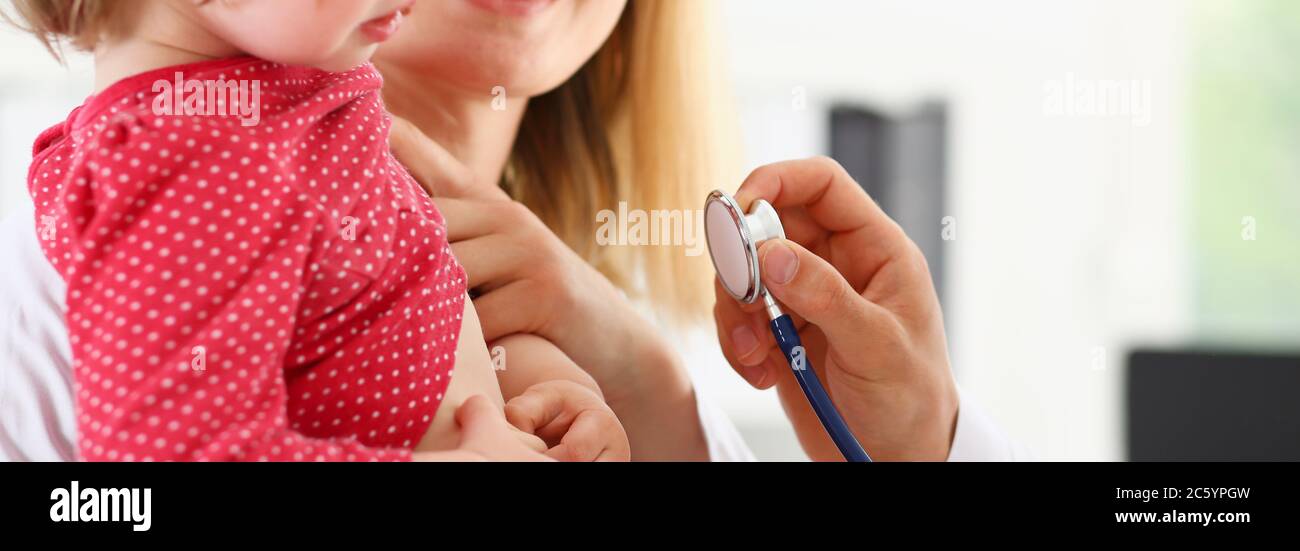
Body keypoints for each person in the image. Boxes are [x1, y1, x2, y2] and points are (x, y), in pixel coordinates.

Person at [14, 0, 627, 461]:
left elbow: (391, 317)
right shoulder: (188, 160)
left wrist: (540, 386)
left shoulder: (286, 110)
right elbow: (169, 456)